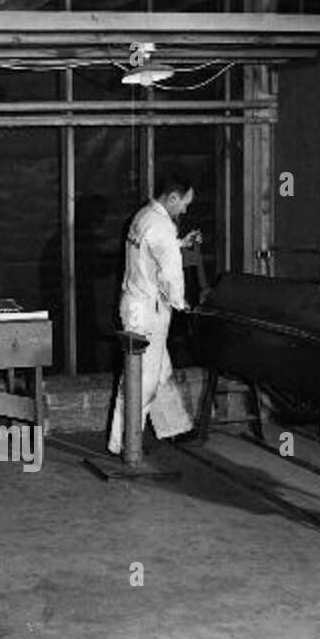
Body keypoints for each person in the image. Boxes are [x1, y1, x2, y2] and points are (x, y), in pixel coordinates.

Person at [107, 171, 201, 455]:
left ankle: (173, 427)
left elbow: (152, 253)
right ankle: (126, 443)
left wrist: (180, 244)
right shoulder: (161, 227)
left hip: (134, 304)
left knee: (160, 371)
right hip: (148, 311)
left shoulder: (144, 216)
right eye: (184, 203)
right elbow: (171, 274)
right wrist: (181, 303)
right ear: (172, 198)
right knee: (141, 380)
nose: (185, 209)